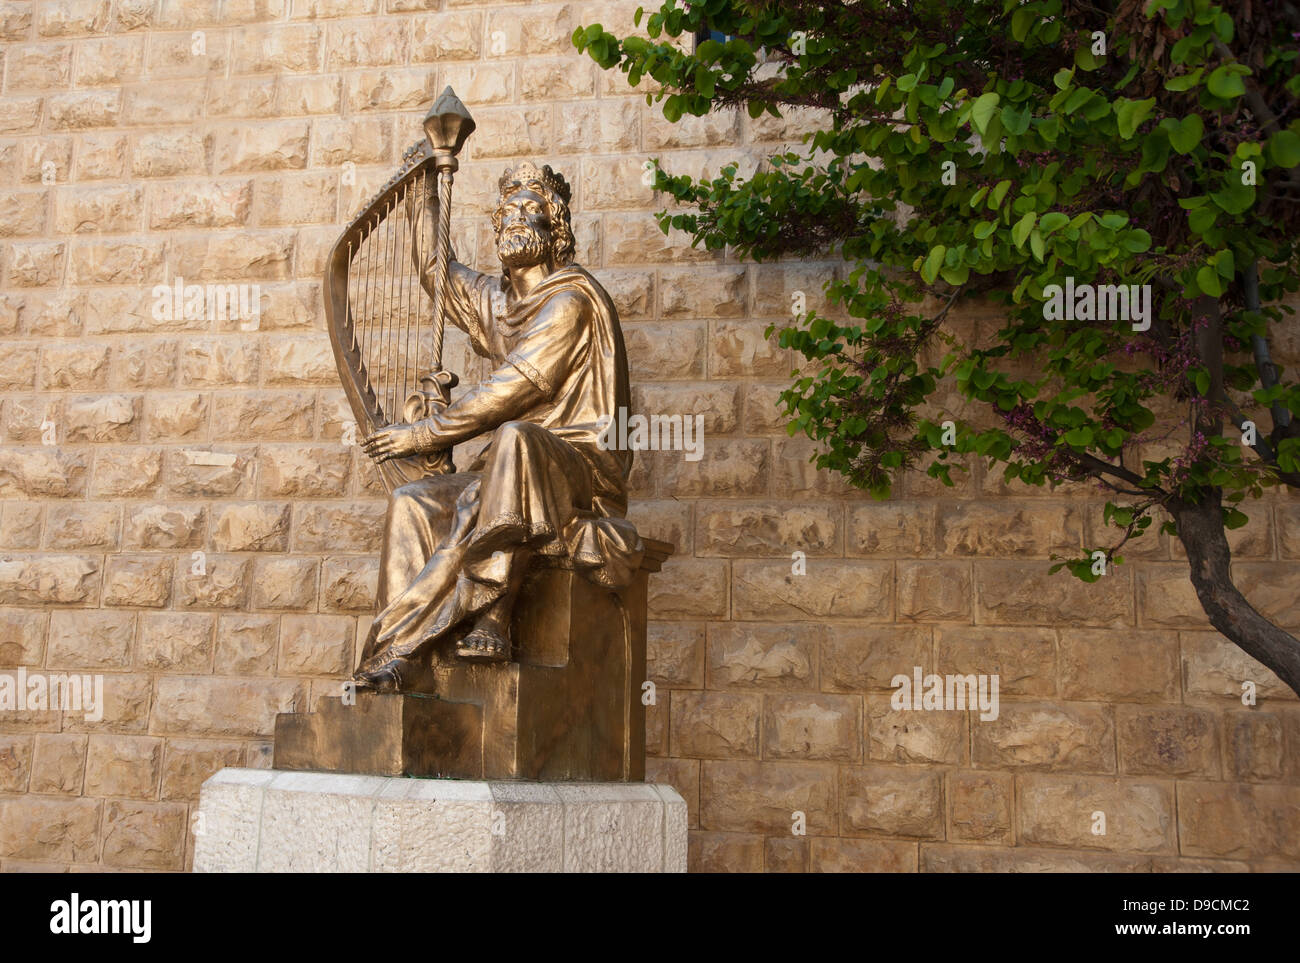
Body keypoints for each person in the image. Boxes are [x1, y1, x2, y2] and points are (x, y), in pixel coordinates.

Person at [353, 162, 642, 692]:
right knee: (413, 501)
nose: (514, 219)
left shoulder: (570, 301)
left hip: (576, 471)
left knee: (516, 438)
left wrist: (422, 434)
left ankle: (494, 609)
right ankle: (399, 658)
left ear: (556, 229)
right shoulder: (498, 301)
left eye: (530, 210)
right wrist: (425, 189)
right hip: (508, 470)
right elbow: (434, 271)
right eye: (506, 211)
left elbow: (513, 388)